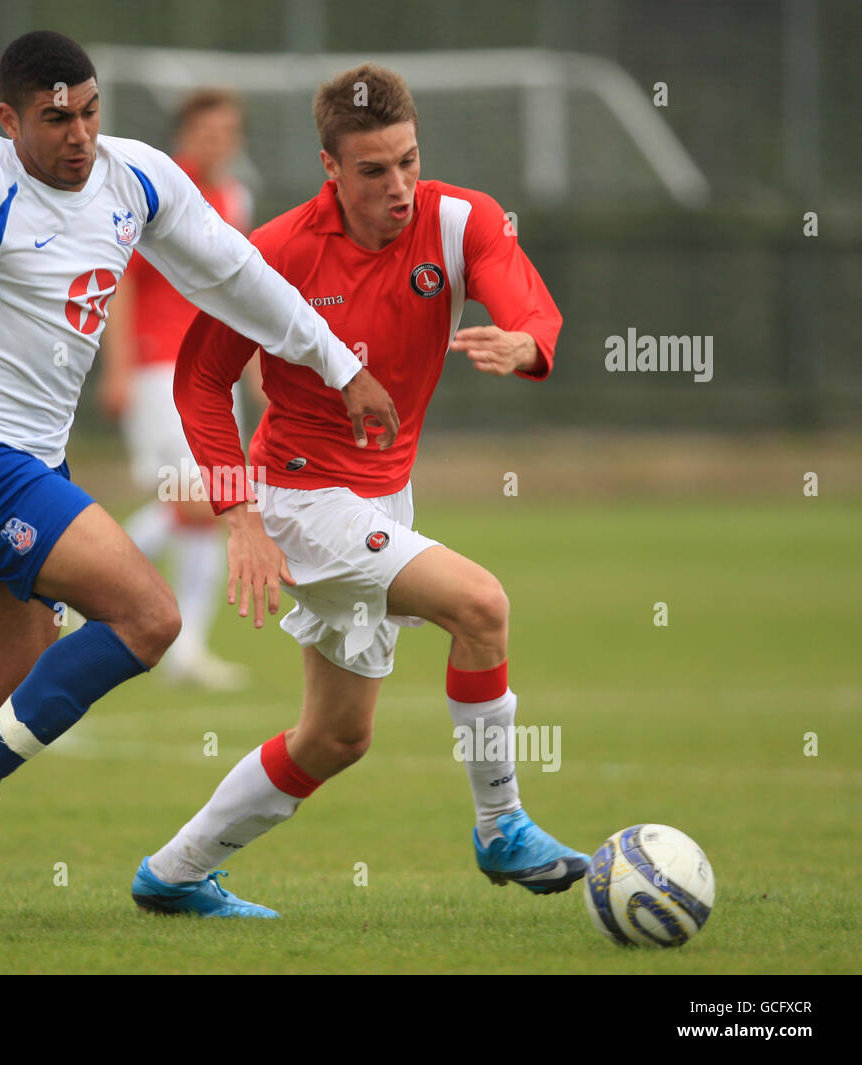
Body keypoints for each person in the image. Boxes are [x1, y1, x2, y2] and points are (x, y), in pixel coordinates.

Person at [0, 31, 398, 925]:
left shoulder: (135, 179)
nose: (80, 134)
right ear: (10, 119)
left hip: (17, 465)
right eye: (56, 118)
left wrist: (338, 366)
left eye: (90, 111)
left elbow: (240, 277)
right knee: (149, 615)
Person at [131, 63, 588, 918]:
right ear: (329, 169)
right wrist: (239, 519)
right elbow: (199, 382)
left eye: (409, 162)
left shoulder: (461, 221)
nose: (400, 187)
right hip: (299, 500)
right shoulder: (274, 253)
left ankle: (174, 872)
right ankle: (503, 826)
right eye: (374, 171)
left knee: (337, 735)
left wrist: (528, 344)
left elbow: (530, 305)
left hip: (384, 499)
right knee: (481, 606)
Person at [100, 88, 258, 691]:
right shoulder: (156, 191)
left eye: (229, 130)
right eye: (208, 130)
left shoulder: (233, 198)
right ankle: (73, 576)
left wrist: (253, 370)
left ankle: (187, 648)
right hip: (160, 370)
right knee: (198, 500)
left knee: (209, 507)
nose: (219, 140)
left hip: (213, 373)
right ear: (186, 135)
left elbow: (237, 294)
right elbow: (123, 285)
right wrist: (115, 370)